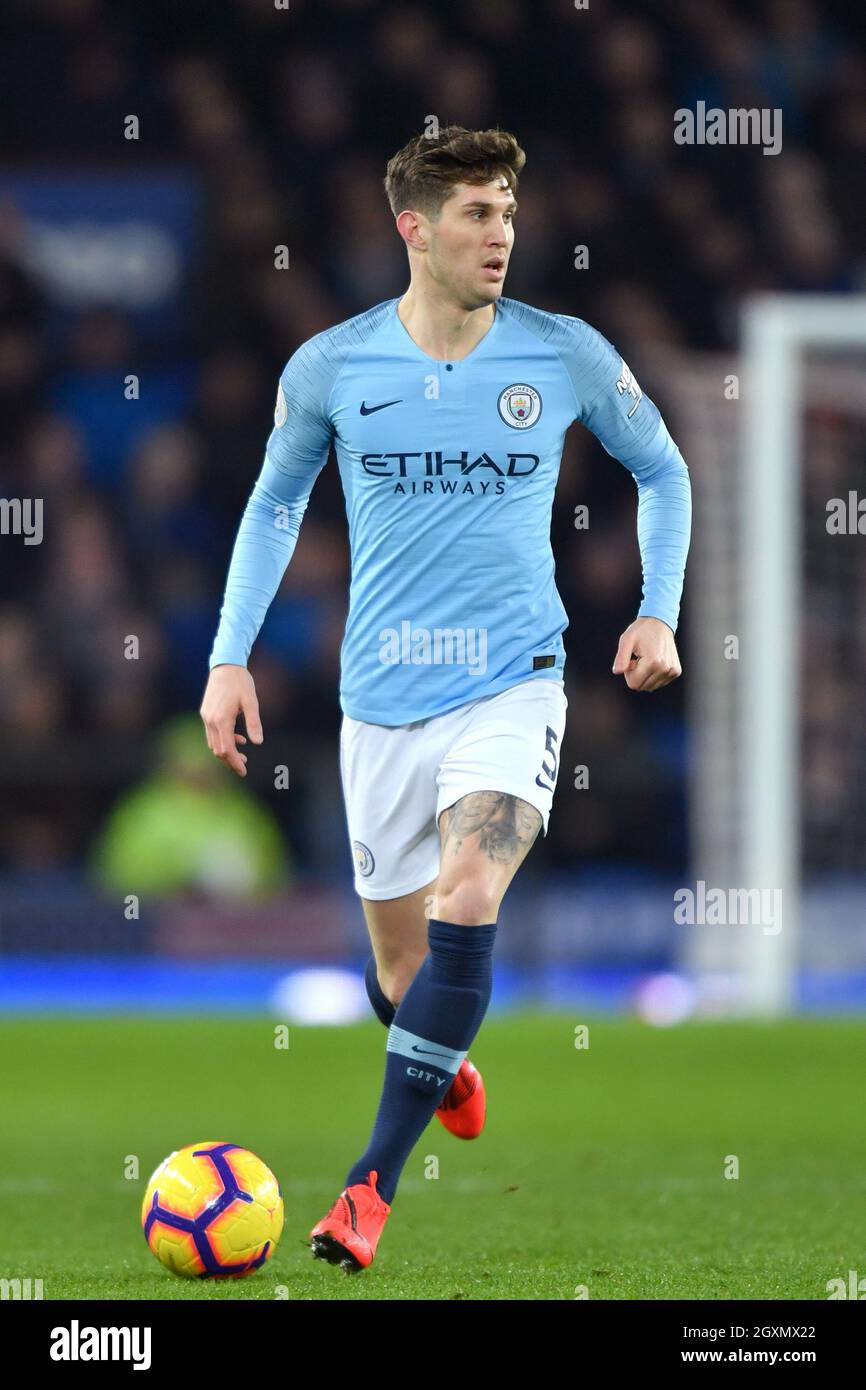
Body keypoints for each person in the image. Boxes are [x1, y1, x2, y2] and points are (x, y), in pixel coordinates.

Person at [200, 126, 691, 1272]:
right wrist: (229, 658)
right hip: (377, 702)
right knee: (401, 979)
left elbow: (661, 465)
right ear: (411, 228)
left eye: (509, 212)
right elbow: (273, 508)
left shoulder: (561, 354)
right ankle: (442, 1052)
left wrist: (657, 607)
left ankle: (366, 1188)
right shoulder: (330, 366)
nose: (502, 234)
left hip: (511, 685)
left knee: (470, 898)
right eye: (475, 214)